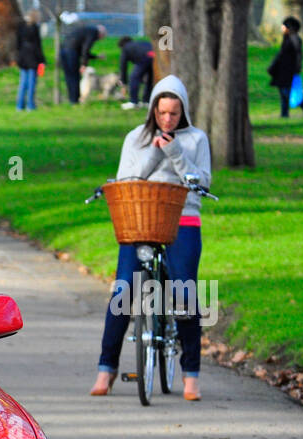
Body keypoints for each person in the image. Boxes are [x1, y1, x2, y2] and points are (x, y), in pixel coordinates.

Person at [90, 75, 212, 401]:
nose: (167, 119)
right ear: (153, 111)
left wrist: (176, 153)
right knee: (124, 290)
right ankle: (106, 367)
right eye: (162, 113)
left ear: (183, 111)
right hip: (141, 219)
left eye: (173, 113)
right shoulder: (135, 138)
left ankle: (191, 374)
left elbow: (202, 180)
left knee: (184, 291)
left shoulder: (197, 139)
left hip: (183, 218)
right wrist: (157, 154)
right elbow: (127, 179)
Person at [267, 17, 303, 119]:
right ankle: (284, 113)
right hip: (282, 69)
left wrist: (297, 68)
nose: (282, 28)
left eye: (284, 26)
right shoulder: (287, 38)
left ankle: (302, 104)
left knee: (285, 91)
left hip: (289, 70)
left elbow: (297, 55)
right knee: (283, 91)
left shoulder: (294, 39)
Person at [60, 22, 106, 104]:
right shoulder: (93, 33)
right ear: (101, 34)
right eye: (102, 38)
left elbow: (83, 51)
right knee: (75, 77)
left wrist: (96, 57)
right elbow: (85, 49)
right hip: (71, 53)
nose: (99, 40)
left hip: (63, 50)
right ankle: (75, 100)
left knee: (69, 77)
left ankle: (72, 99)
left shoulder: (87, 30)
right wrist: (84, 65)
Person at [15, 10, 46, 112]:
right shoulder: (35, 28)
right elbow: (38, 45)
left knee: (23, 83)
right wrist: (42, 60)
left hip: (23, 57)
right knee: (32, 83)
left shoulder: (20, 28)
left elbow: (17, 44)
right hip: (33, 58)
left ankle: (19, 105)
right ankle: (30, 105)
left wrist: (18, 57)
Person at [117, 35, 154, 109]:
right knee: (150, 79)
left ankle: (133, 102)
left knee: (134, 78)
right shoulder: (140, 43)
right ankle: (146, 101)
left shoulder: (126, 47)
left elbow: (123, 66)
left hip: (144, 58)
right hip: (154, 56)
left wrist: (124, 82)